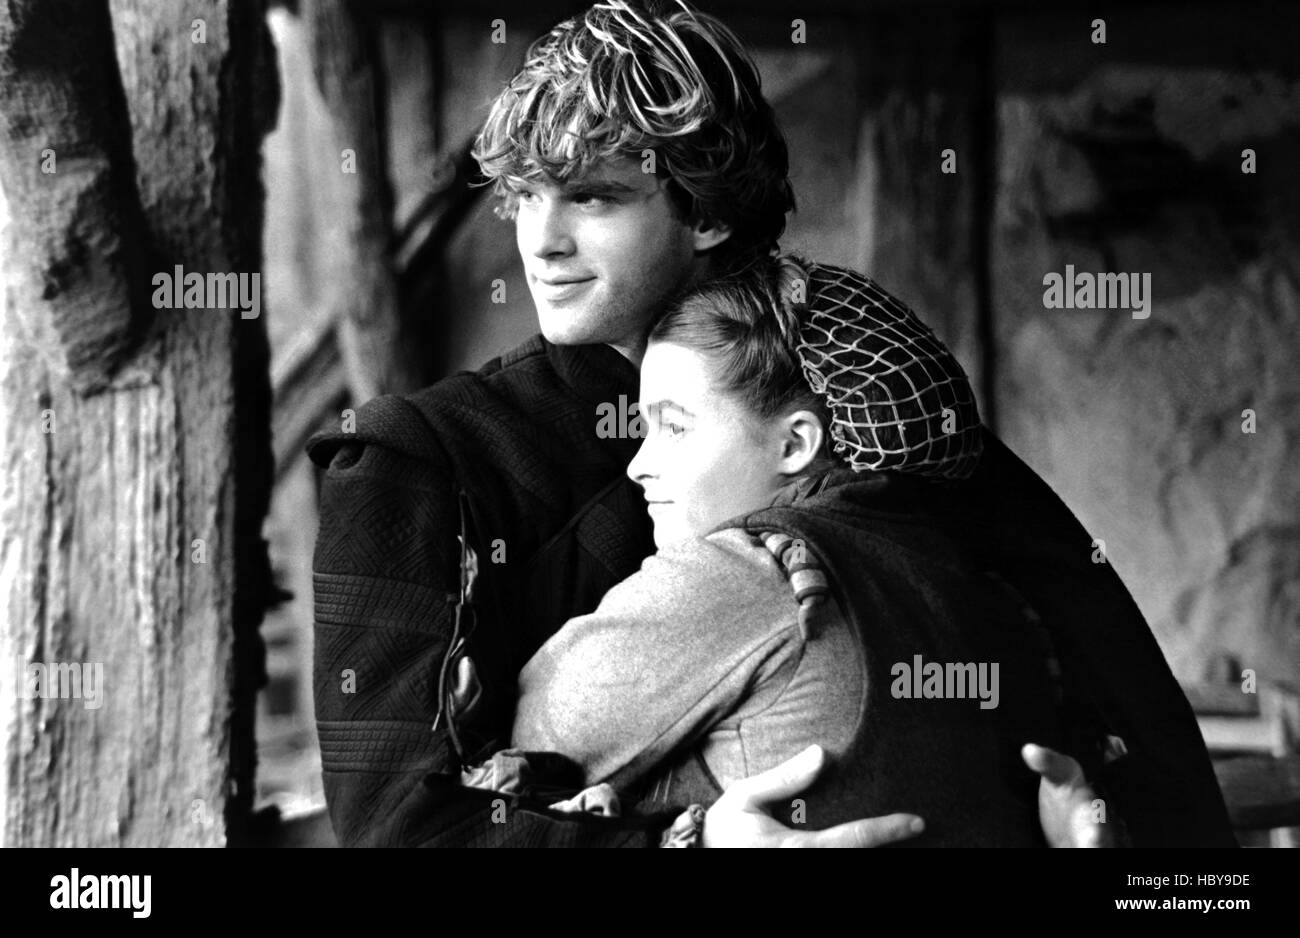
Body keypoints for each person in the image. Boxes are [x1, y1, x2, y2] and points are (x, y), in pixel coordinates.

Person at [307, 0, 1230, 847]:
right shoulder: (417, 468)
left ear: (705, 212)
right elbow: (398, 836)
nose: (540, 241)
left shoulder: (886, 436)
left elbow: (1146, 788)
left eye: (591, 195)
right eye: (522, 196)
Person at [502, 255, 1066, 846]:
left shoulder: (747, 569)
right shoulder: (967, 579)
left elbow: (530, 750)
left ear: (794, 443)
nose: (640, 467)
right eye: (643, 429)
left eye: (675, 427)